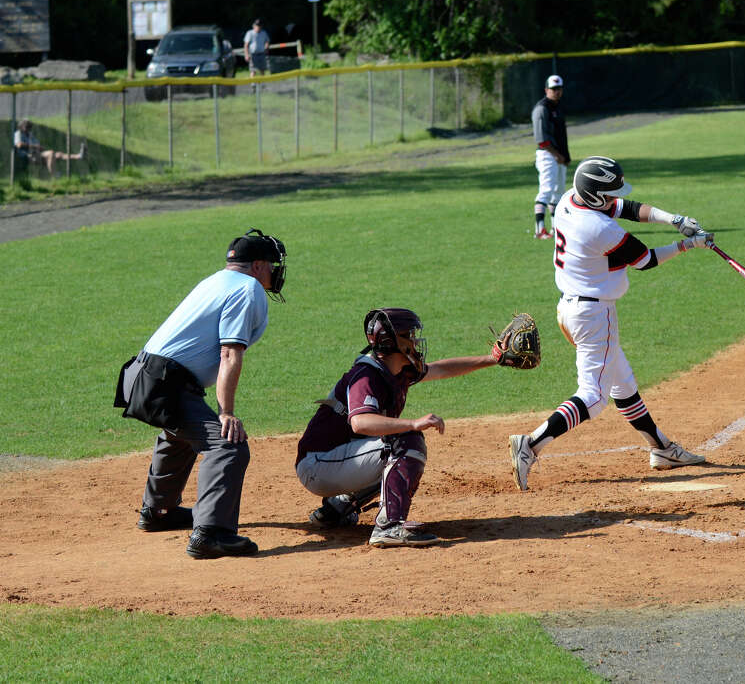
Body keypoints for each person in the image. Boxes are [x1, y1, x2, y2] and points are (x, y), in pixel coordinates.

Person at [509, 156, 711, 491]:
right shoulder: (600, 229)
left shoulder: (567, 202)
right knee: (594, 395)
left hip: (570, 309)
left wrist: (674, 219)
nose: (612, 198)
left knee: (623, 384)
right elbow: (645, 260)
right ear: (594, 195)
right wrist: (688, 244)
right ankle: (531, 444)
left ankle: (661, 449)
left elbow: (626, 206)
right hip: (594, 316)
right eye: (607, 193)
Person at [114, 228, 287, 559]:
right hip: (163, 382)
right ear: (259, 265)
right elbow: (229, 353)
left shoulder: (215, 281)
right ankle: (211, 533)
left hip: (142, 376)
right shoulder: (248, 288)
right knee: (227, 445)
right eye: (273, 265)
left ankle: (159, 511)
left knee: (180, 430)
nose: (276, 272)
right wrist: (227, 412)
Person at [295, 308, 503, 547]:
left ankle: (336, 508)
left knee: (395, 446)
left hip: (338, 460)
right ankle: (389, 526)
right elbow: (360, 422)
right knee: (405, 440)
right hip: (318, 466)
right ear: (390, 341)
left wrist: (493, 359)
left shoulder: (398, 369)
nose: (415, 340)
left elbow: (441, 369)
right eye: (409, 335)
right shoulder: (366, 376)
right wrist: (413, 423)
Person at [531, 74, 570, 240]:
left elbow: (562, 136)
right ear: (546, 90)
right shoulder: (542, 108)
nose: (557, 92)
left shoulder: (557, 107)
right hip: (547, 155)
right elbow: (541, 140)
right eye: (553, 89)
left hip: (559, 156)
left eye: (559, 89)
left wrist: (565, 157)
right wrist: (557, 155)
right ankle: (540, 230)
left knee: (559, 193)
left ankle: (556, 229)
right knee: (546, 191)